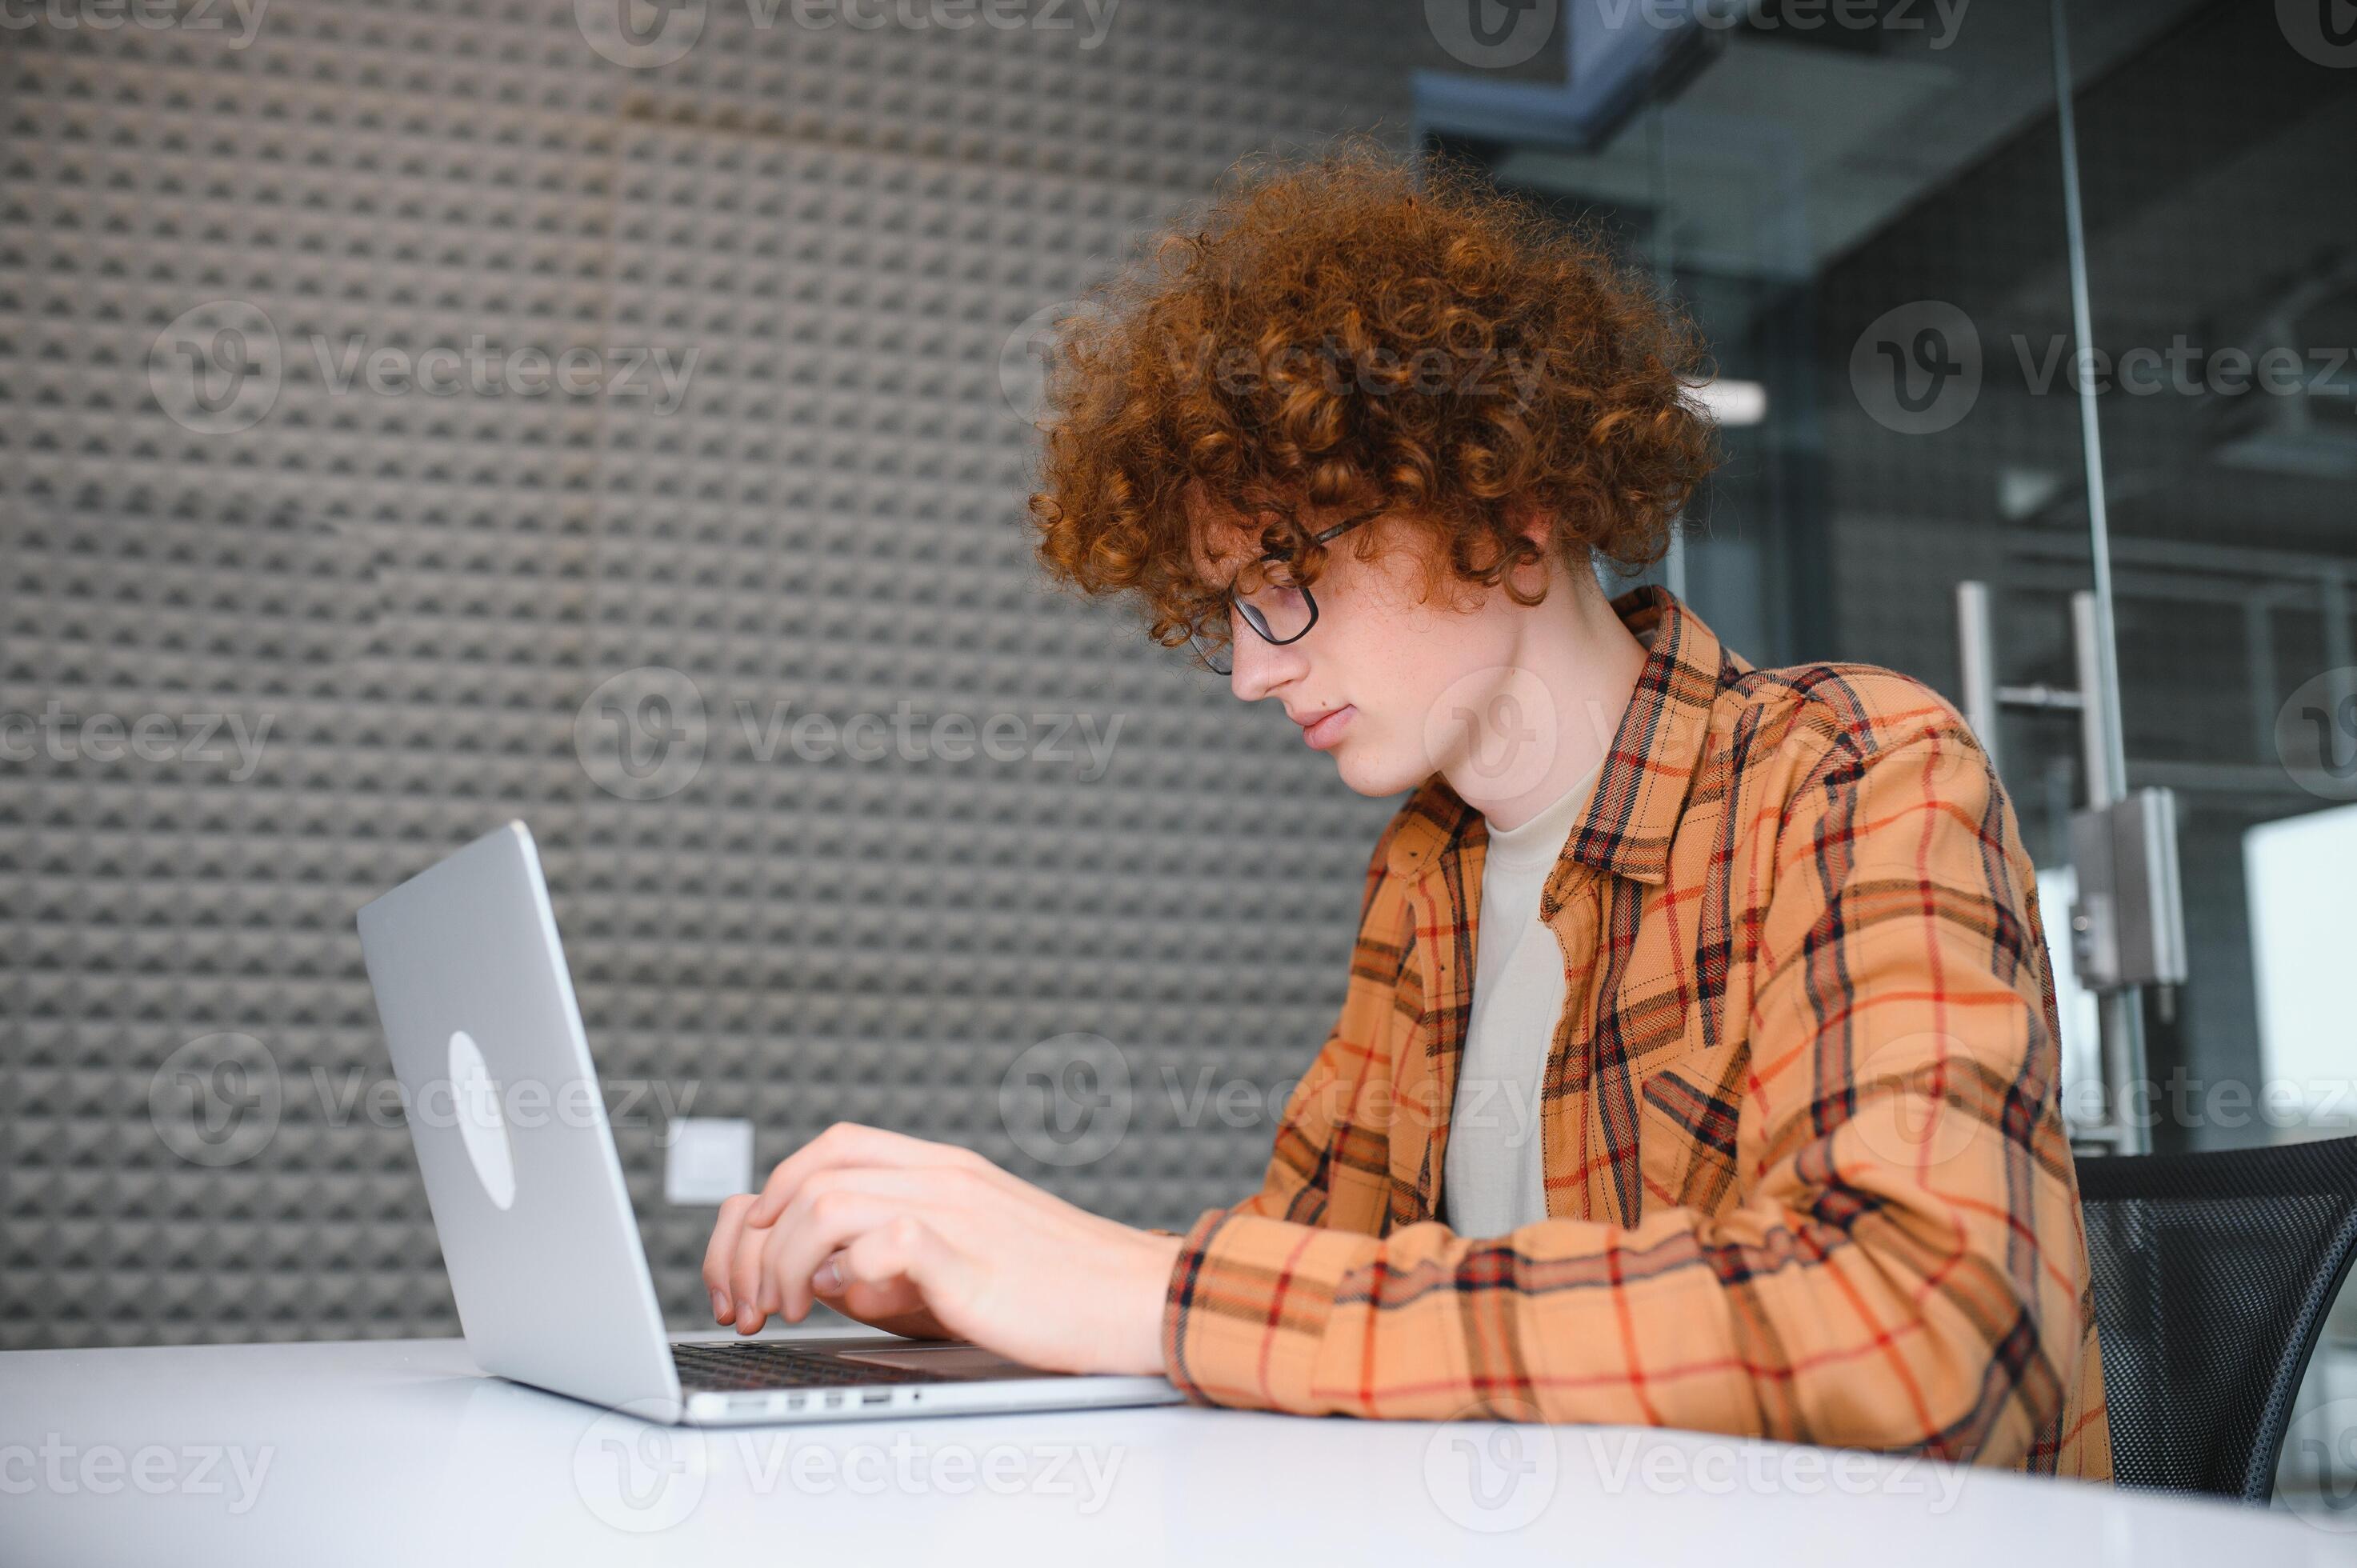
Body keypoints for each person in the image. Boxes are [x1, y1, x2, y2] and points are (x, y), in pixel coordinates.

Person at [700, 140, 2112, 1478]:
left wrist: (1143, 1289)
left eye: (1281, 583)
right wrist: (978, 1288)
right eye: (1227, 615)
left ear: (1499, 504)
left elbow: (1923, 1324)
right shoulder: (1423, 872)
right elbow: (1304, 1292)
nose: (1253, 671)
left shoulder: (1852, 773)